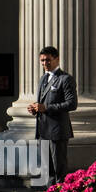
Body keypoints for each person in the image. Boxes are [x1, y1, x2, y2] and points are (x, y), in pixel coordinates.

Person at [27, 46, 77, 182]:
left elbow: (72, 104)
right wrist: (35, 108)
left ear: (57, 59)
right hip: (43, 131)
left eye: (48, 60)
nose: (45, 64)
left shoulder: (66, 79)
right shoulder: (43, 79)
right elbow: (42, 103)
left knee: (59, 170)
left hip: (58, 131)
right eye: (42, 61)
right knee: (47, 170)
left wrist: (46, 107)